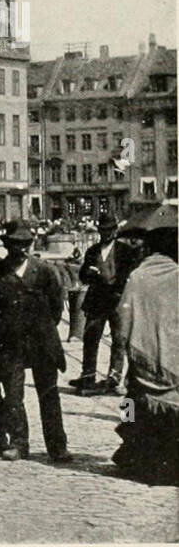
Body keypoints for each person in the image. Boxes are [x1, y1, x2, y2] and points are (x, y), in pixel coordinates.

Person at [0, 220, 70, 463]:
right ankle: (18, 443)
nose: (22, 249)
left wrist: (42, 329)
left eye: (26, 244)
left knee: (48, 394)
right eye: (16, 244)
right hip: (9, 345)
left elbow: (57, 307)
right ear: (7, 245)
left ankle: (57, 446)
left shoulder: (45, 271)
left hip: (42, 344)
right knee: (13, 396)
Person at [111, 206, 178, 484]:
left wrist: (123, 351)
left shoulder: (137, 276)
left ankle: (130, 455)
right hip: (174, 360)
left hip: (141, 359)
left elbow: (121, 318)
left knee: (131, 405)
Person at [74, 213, 131, 395]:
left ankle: (114, 377)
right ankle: (88, 375)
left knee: (119, 340)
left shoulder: (125, 250)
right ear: (99, 231)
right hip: (97, 302)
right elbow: (82, 276)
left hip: (117, 301)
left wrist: (117, 288)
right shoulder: (92, 251)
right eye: (103, 230)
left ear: (115, 230)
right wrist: (89, 273)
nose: (106, 233)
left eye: (109, 230)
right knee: (91, 338)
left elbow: (128, 274)